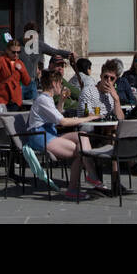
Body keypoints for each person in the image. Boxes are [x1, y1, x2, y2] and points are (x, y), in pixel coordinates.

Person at [26, 69, 103, 200]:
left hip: (49, 134)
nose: (61, 86)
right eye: (60, 83)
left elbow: (56, 115)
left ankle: (90, 174)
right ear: (54, 83)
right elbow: (62, 121)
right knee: (80, 150)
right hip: (40, 137)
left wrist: (61, 100)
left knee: (82, 135)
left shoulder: (47, 98)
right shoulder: (43, 100)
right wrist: (88, 118)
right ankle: (75, 187)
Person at [0, 37, 31, 111]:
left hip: (15, 101)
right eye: (13, 52)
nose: (16, 54)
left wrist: (22, 70)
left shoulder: (20, 63)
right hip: (1, 99)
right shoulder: (0, 61)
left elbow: (27, 82)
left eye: (18, 52)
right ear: (7, 50)